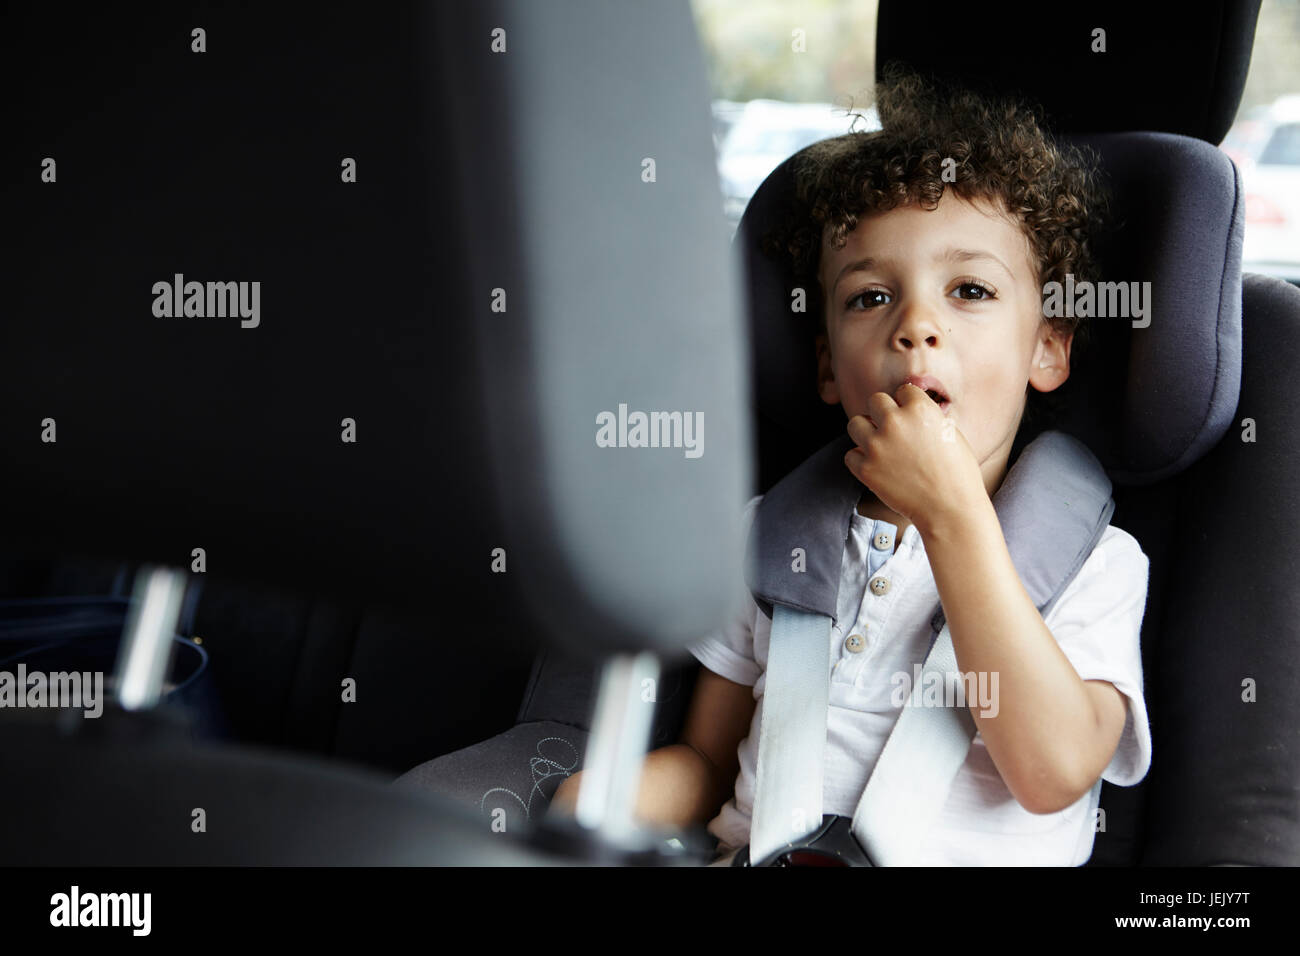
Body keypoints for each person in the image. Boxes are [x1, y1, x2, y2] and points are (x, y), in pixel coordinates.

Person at [549, 67, 1152, 866]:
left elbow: (1053, 772)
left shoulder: (1095, 566)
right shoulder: (771, 536)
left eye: (969, 289)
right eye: (871, 298)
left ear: (1047, 346)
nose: (917, 326)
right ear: (831, 369)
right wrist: (599, 801)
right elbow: (709, 760)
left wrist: (952, 517)